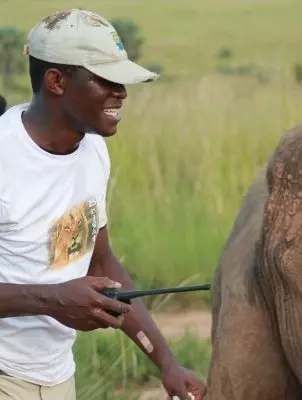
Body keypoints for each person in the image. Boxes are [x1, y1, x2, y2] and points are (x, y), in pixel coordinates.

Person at [0, 8, 206, 400]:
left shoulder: (93, 149)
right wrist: (54, 299)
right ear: (56, 81)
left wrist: (167, 363)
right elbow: (60, 295)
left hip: (58, 377)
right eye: (106, 79)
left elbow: (101, 262)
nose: (122, 92)